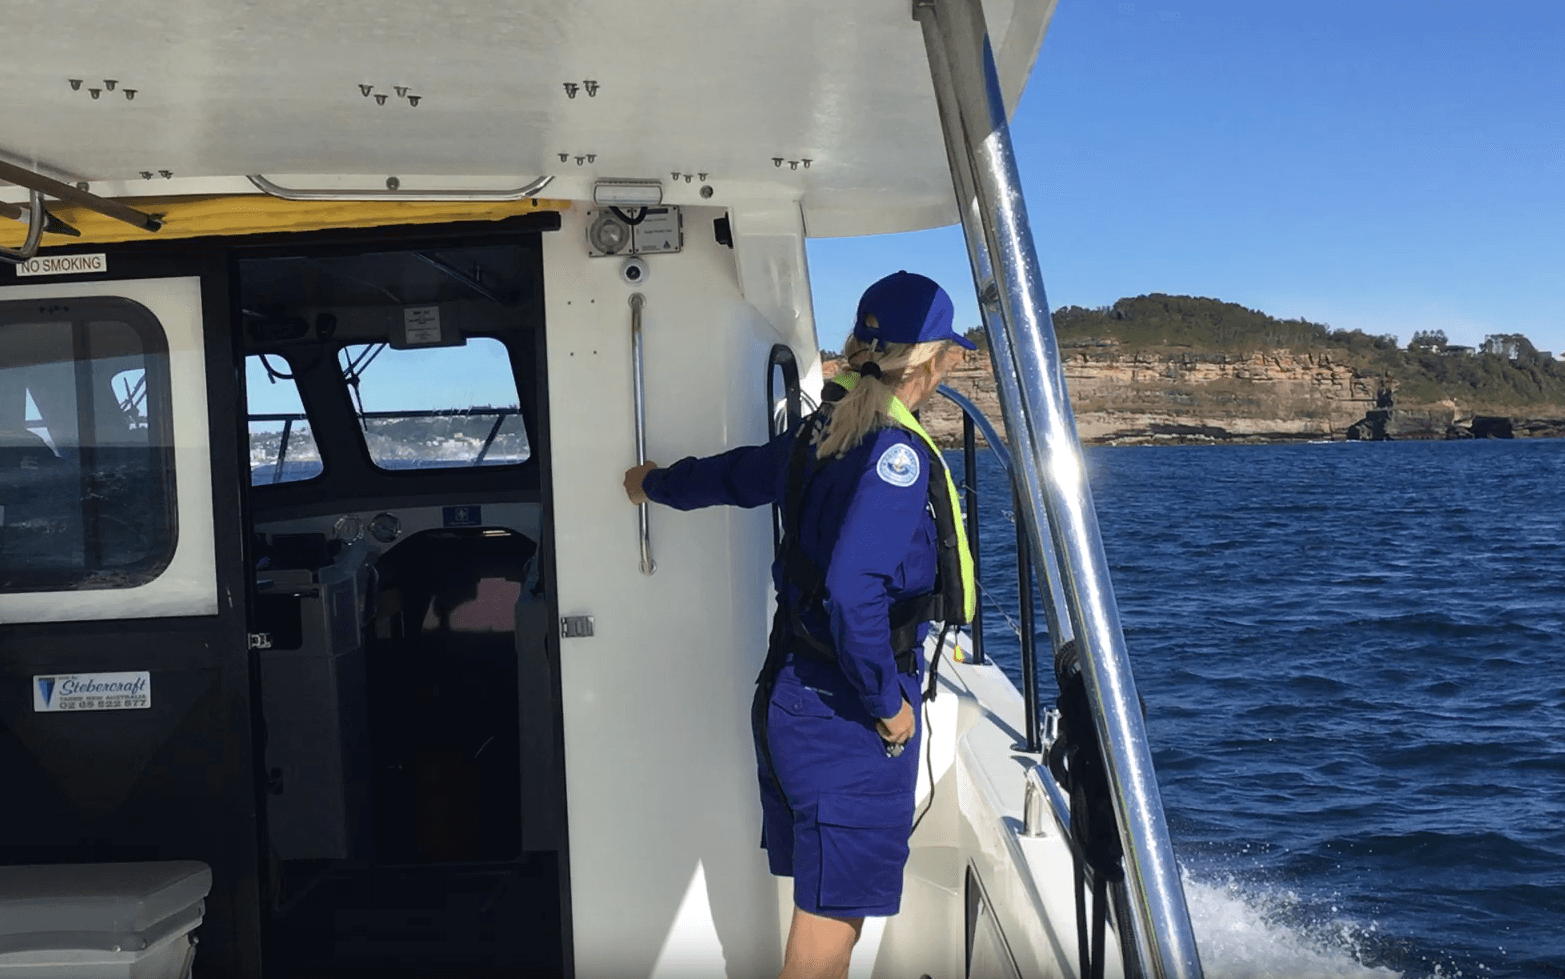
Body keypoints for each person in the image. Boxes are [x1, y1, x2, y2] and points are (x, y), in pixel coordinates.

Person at [622, 271, 977, 979]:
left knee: (827, 918)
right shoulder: (894, 456)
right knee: (820, 943)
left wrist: (654, 482)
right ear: (933, 362)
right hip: (845, 718)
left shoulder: (826, 431)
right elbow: (852, 593)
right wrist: (890, 708)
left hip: (793, 697)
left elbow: (734, 476)